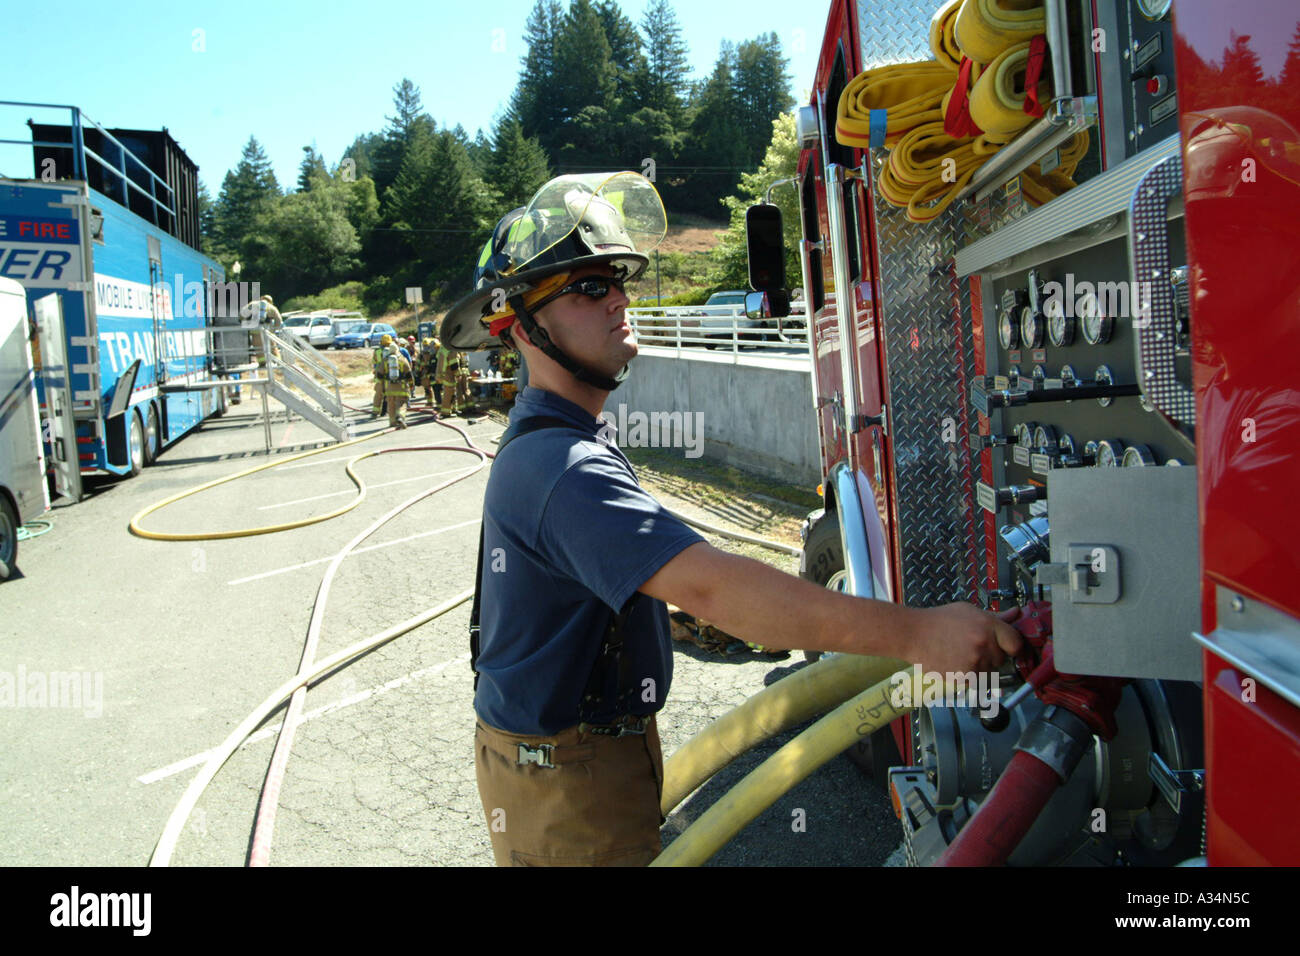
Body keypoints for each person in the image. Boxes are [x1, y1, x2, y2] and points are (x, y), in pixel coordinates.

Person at [439, 171, 1023, 867]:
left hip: (576, 759)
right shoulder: (563, 467)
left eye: (619, 279)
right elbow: (715, 587)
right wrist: (922, 634)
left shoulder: (568, 441)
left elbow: (639, 592)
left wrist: (705, 623)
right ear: (520, 324)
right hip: (572, 780)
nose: (621, 297)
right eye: (591, 286)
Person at [379, 341, 413, 428]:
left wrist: (382, 386)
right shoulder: (402, 359)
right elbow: (409, 374)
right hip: (401, 387)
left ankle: (392, 422)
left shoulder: (385, 360)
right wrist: (412, 385)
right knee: (402, 403)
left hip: (389, 388)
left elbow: (379, 375)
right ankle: (401, 417)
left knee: (391, 405)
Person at [371, 333, 394, 417]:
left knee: (378, 394)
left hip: (379, 376)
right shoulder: (393, 350)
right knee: (389, 394)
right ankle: (387, 411)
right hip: (389, 375)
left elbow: (374, 363)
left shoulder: (377, 351)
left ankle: (375, 412)